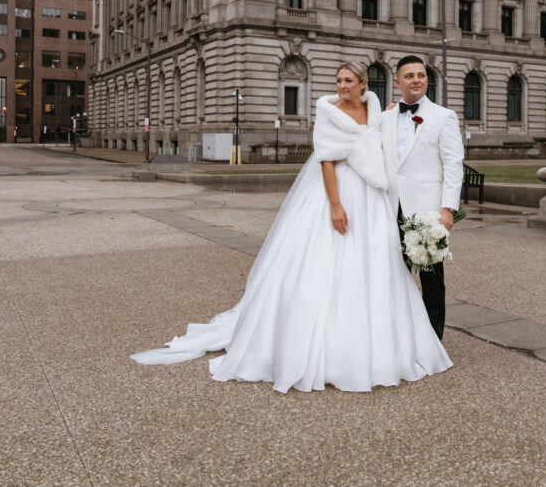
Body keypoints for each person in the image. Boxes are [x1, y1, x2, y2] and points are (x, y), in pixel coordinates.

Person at [132, 62, 452, 393]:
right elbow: (326, 160)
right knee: (323, 265)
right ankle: (325, 344)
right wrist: (336, 205)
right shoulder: (328, 111)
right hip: (340, 192)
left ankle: (381, 339)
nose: (341, 86)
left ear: (363, 84)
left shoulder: (377, 110)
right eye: (338, 80)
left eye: (348, 81)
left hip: (373, 198)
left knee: (375, 265)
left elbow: (387, 135)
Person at [381, 55, 465, 340]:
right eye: (409, 76)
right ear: (397, 82)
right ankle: (398, 334)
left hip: (427, 211)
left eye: (421, 75)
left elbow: (453, 163)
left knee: (431, 280)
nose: (416, 80)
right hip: (390, 208)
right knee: (394, 276)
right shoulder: (385, 117)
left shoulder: (444, 116)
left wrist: (448, 208)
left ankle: (432, 339)